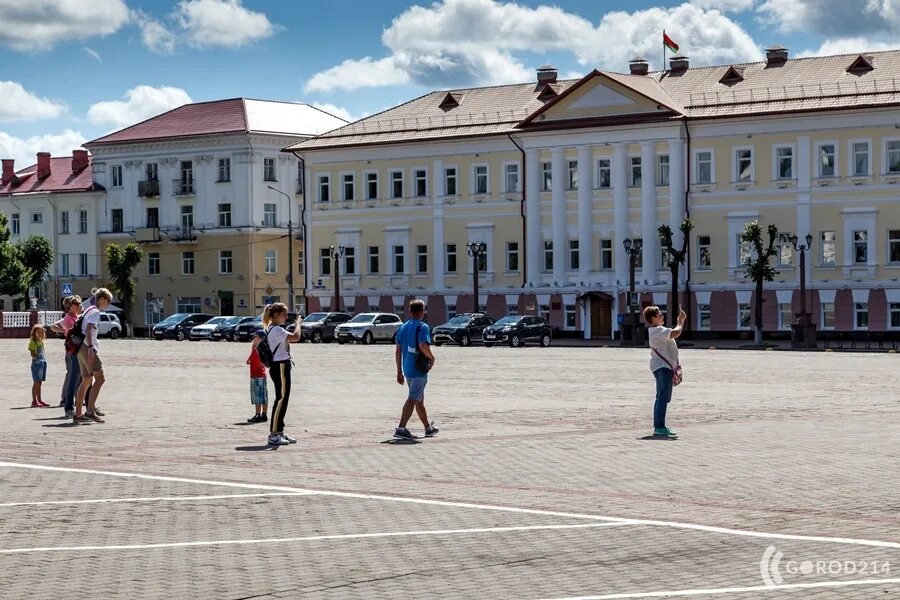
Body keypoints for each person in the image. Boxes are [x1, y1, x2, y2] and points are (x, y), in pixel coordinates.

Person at [393, 299, 438, 440]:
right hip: (419, 369)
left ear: (410, 311)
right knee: (413, 398)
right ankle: (401, 428)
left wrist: (399, 371)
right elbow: (423, 345)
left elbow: (398, 350)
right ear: (421, 311)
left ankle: (427, 428)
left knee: (419, 399)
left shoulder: (403, 327)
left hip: (407, 369)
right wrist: (432, 358)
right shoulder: (422, 327)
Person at [262, 303, 301, 446]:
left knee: (283, 398)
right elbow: (296, 337)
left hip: (281, 365)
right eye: (284, 314)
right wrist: (298, 323)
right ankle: (274, 433)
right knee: (281, 398)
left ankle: (279, 431)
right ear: (277, 315)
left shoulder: (274, 329)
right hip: (280, 366)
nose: (286, 317)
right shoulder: (277, 330)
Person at [645, 305, 685, 438]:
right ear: (653, 319)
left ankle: (660, 426)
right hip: (662, 367)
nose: (662, 316)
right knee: (663, 397)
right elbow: (676, 332)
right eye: (660, 315)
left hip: (662, 366)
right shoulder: (657, 331)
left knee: (662, 396)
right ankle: (659, 427)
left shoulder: (658, 330)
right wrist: (680, 322)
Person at [73, 288, 112, 424]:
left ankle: (78, 413)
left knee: (86, 380)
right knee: (100, 379)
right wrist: (90, 348)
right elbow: (89, 329)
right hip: (87, 347)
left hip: (80, 348)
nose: (108, 304)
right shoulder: (95, 312)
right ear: (101, 299)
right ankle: (90, 411)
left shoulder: (88, 310)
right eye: (108, 301)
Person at [50, 295, 82, 418]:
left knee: (77, 375)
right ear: (69, 306)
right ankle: (65, 399)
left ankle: (76, 398)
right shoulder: (68, 318)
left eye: (79, 304)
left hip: (77, 348)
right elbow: (53, 326)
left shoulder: (76, 317)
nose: (79, 306)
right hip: (71, 349)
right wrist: (66, 331)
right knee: (72, 374)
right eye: (76, 304)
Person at [246, 331, 269, 423]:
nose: (253, 339)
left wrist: (253, 348)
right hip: (262, 375)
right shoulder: (263, 349)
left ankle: (257, 414)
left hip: (256, 375)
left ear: (260, 339)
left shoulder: (256, 350)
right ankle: (264, 414)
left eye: (255, 337)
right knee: (263, 396)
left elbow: (248, 361)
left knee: (257, 397)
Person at [28, 324, 49, 407]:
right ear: (34, 333)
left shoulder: (41, 342)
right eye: (38, 332)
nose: (40, 334)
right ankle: (34, 401)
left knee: (40, 383)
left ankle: (39, 400)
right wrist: (36, 357)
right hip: (37, 364)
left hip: (43, 363)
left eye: (41, 332)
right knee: (36, 383)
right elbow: (32, 354)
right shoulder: (32, 342)